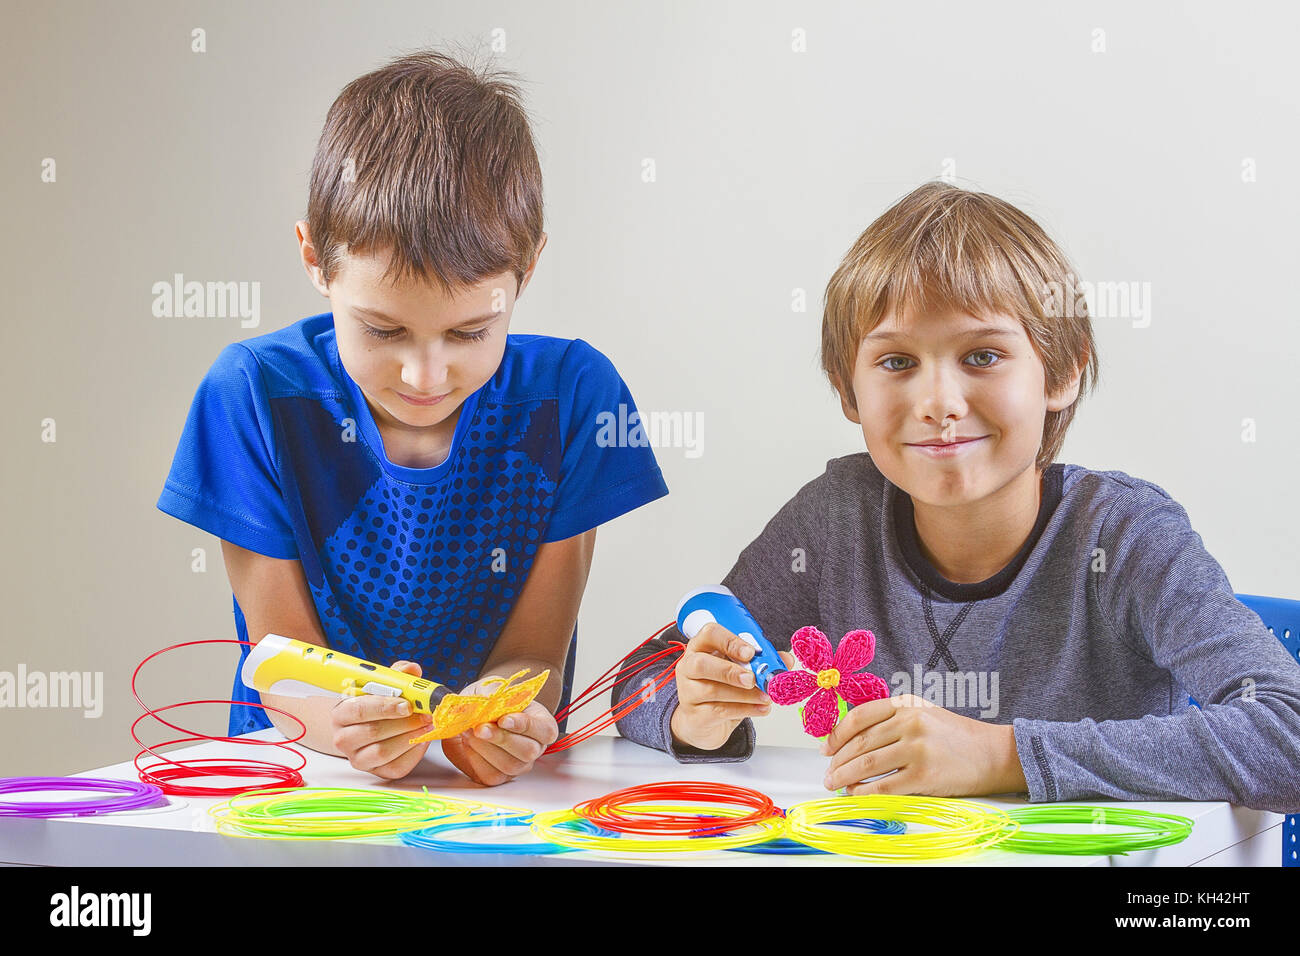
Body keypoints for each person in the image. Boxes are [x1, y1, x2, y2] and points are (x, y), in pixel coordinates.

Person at [613, 182, 1300, 813]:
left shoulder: (1125, 536)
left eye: (981, 356)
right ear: (848, 391)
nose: (939, 403)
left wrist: (1003, 755)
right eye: (897, 362)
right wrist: (692, 714)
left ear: (1060, 371)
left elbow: (1287, 734)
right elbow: (635, 682)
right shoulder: (835, 520)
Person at [158, 50, 668, 785]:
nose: (425, 376)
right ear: (313, 258)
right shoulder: (252, 397)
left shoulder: (574, 396)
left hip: (497, 802)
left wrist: (505, 713)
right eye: (383, 330)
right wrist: (348, 728)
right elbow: (280, 662)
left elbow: (535, 656)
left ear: (529, 267)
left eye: (468, 333)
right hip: (297, 783)